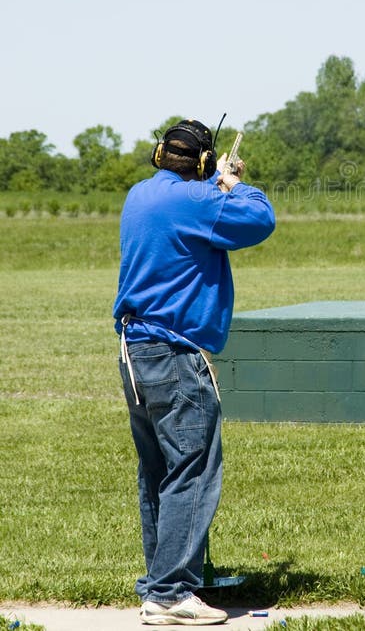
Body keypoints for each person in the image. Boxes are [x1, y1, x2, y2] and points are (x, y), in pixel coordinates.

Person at [113, 119, 275, 626]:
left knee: (158, 471)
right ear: (203, 163)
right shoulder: (202, 200)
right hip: (176, 355)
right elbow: (260, 218)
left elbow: (183, 209)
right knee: (193, 469)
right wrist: (231, 182)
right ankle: (170, 594)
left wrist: (210, 184)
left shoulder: (140, 195)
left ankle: (159, 583)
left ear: (161, 154)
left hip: (134, 353)